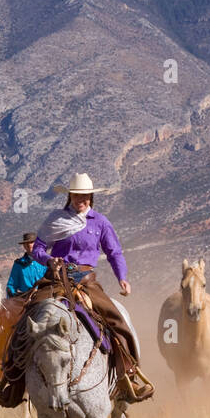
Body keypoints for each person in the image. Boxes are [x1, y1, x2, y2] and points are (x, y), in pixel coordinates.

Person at [31, 172, 153, 403]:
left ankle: (128, 376)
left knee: (117, 320)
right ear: (70, 196)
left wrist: (122, 277)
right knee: (27, 315)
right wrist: (48, 260)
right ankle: (13, 379)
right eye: (77, 195)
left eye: (85, 196)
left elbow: (114, 252)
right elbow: (38, 248)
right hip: (57, 277)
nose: (82, 200)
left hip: (86, 279)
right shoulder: (56, 219)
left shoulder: (101, 222)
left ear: (91, 197)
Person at [6, 232, 47, 296]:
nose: (29, 245)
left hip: (44, 296)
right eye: (26, 243)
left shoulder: (45, 261)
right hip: (26, 298)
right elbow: (11, 286)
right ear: (24, 246)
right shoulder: (19, 264)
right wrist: (12, 300)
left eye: (31, 242)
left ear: (37, 244)